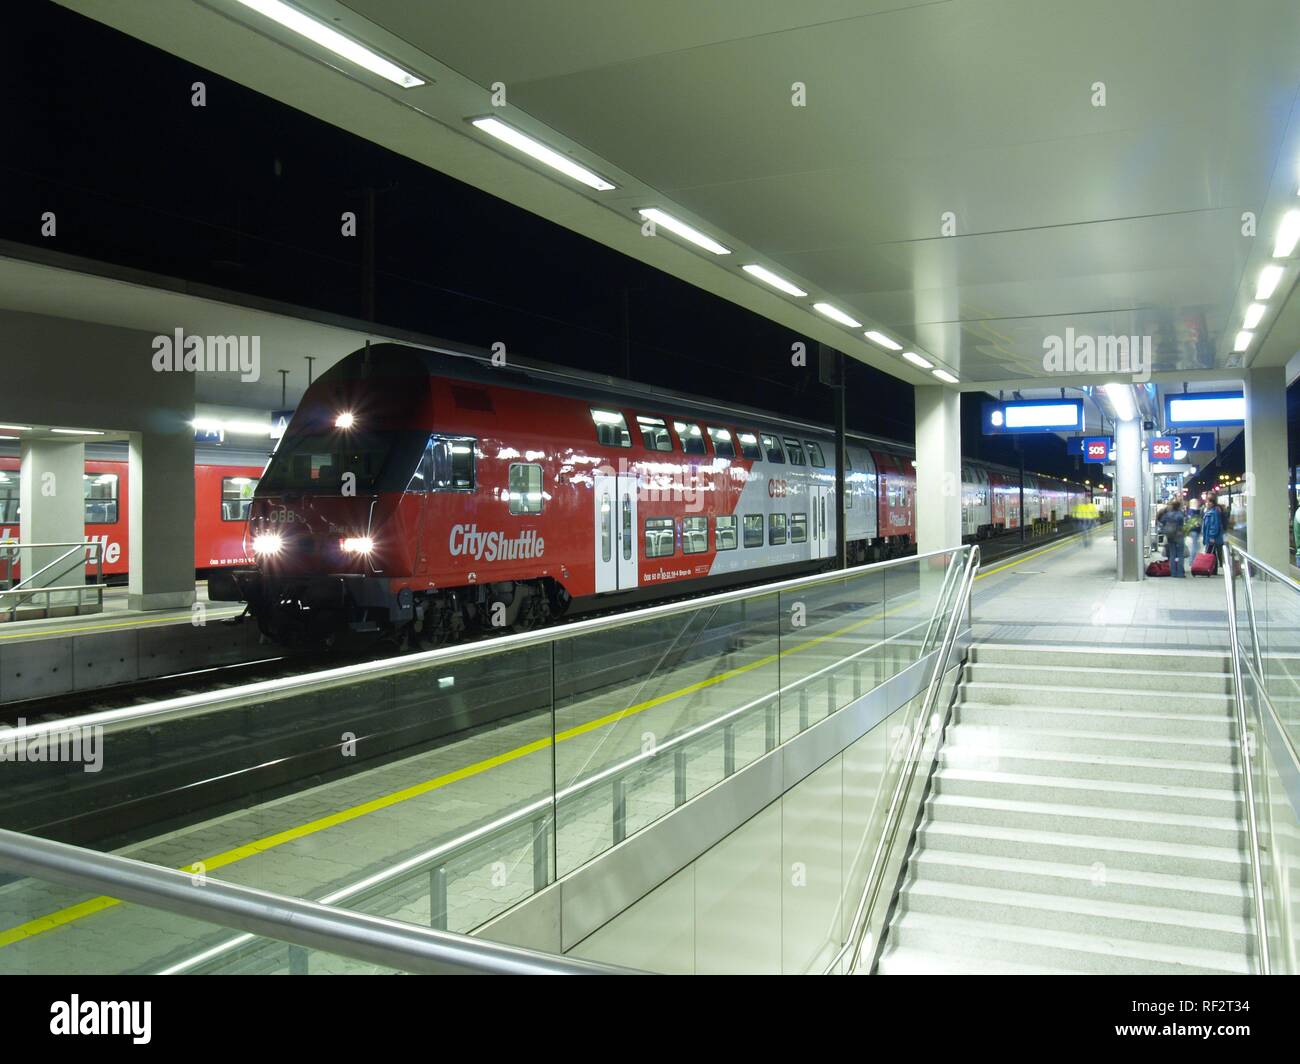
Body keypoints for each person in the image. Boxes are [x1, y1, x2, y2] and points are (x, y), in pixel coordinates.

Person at [1159, 498, 1186, 577]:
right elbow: (1181, 524)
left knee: (1172, 554)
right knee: (1180, 554)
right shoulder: (1180, 514)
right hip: (1179, 535)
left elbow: (1162, 521)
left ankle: (1173, 573)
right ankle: (1180, 573)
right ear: (1178, 506)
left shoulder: (1167, 514)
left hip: (1170, 535)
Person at [1201, 493, 1225, 562]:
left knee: (1209, 554)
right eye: (1207, 501)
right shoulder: (1210, 511)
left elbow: (1215, 525)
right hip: (1209, 537)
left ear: (1212, 503)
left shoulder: (1214, 512)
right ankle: (1213, 569)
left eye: (1208, 502)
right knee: (1213, 554)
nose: (1207, 503)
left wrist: (1212, 536)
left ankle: (1210, 569)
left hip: (1212, 538)